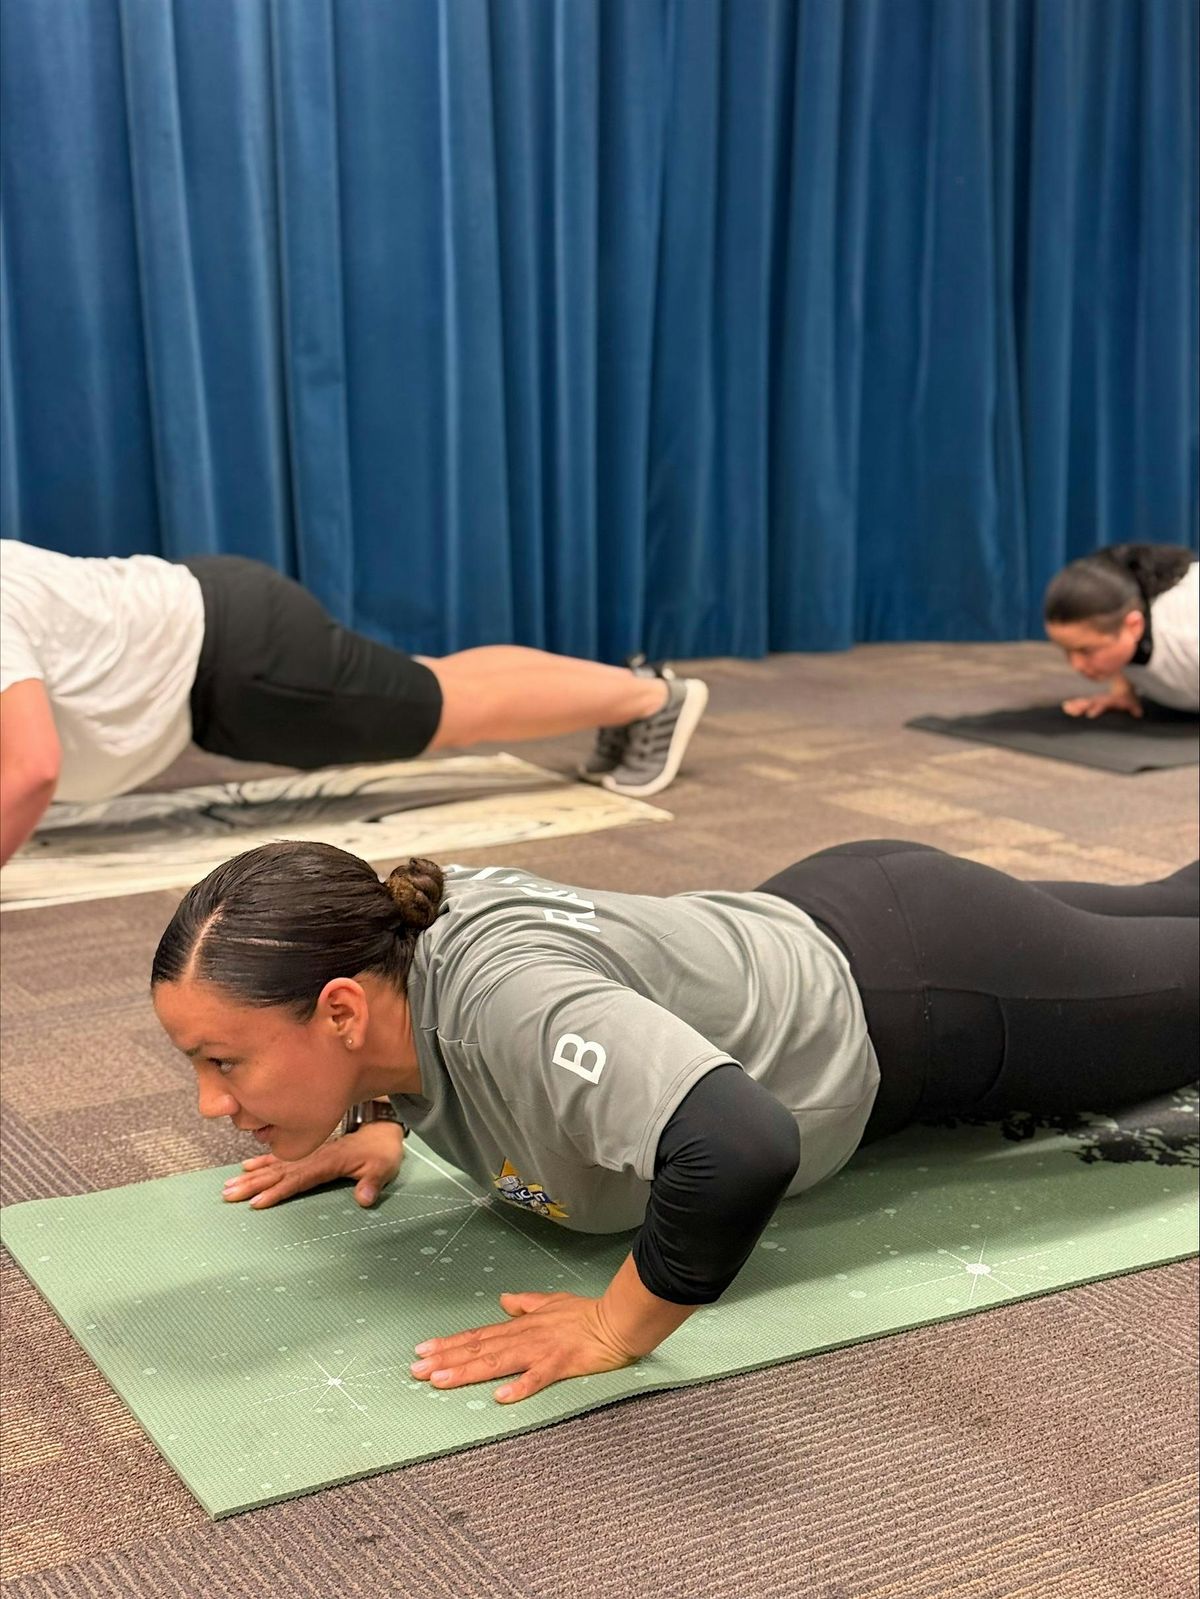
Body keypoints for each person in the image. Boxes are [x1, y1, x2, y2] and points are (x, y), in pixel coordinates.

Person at [150, 836, 1198, 1405]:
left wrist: (614, 1327)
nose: (211, 1102)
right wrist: (379, 1111)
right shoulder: (386, 948)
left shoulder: (512, 1008)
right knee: (1173, 898)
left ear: (341, 1011)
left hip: (939, 992)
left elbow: (739, 1145)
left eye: (224, 1060)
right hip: (841, 912)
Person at [0, 540, 708, 865]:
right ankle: (634, 692)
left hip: (244, 665)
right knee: (440, 685)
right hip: (224, 634)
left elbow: (33, 769)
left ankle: (651, 698)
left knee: (445, 707)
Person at [1043, 542, 1198, 718]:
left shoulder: (1187, 634)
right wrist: (1122, 691)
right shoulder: (1128, 607)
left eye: (1086, 651)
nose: (1076, 665)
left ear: (1134, 626)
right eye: (1067, 651)